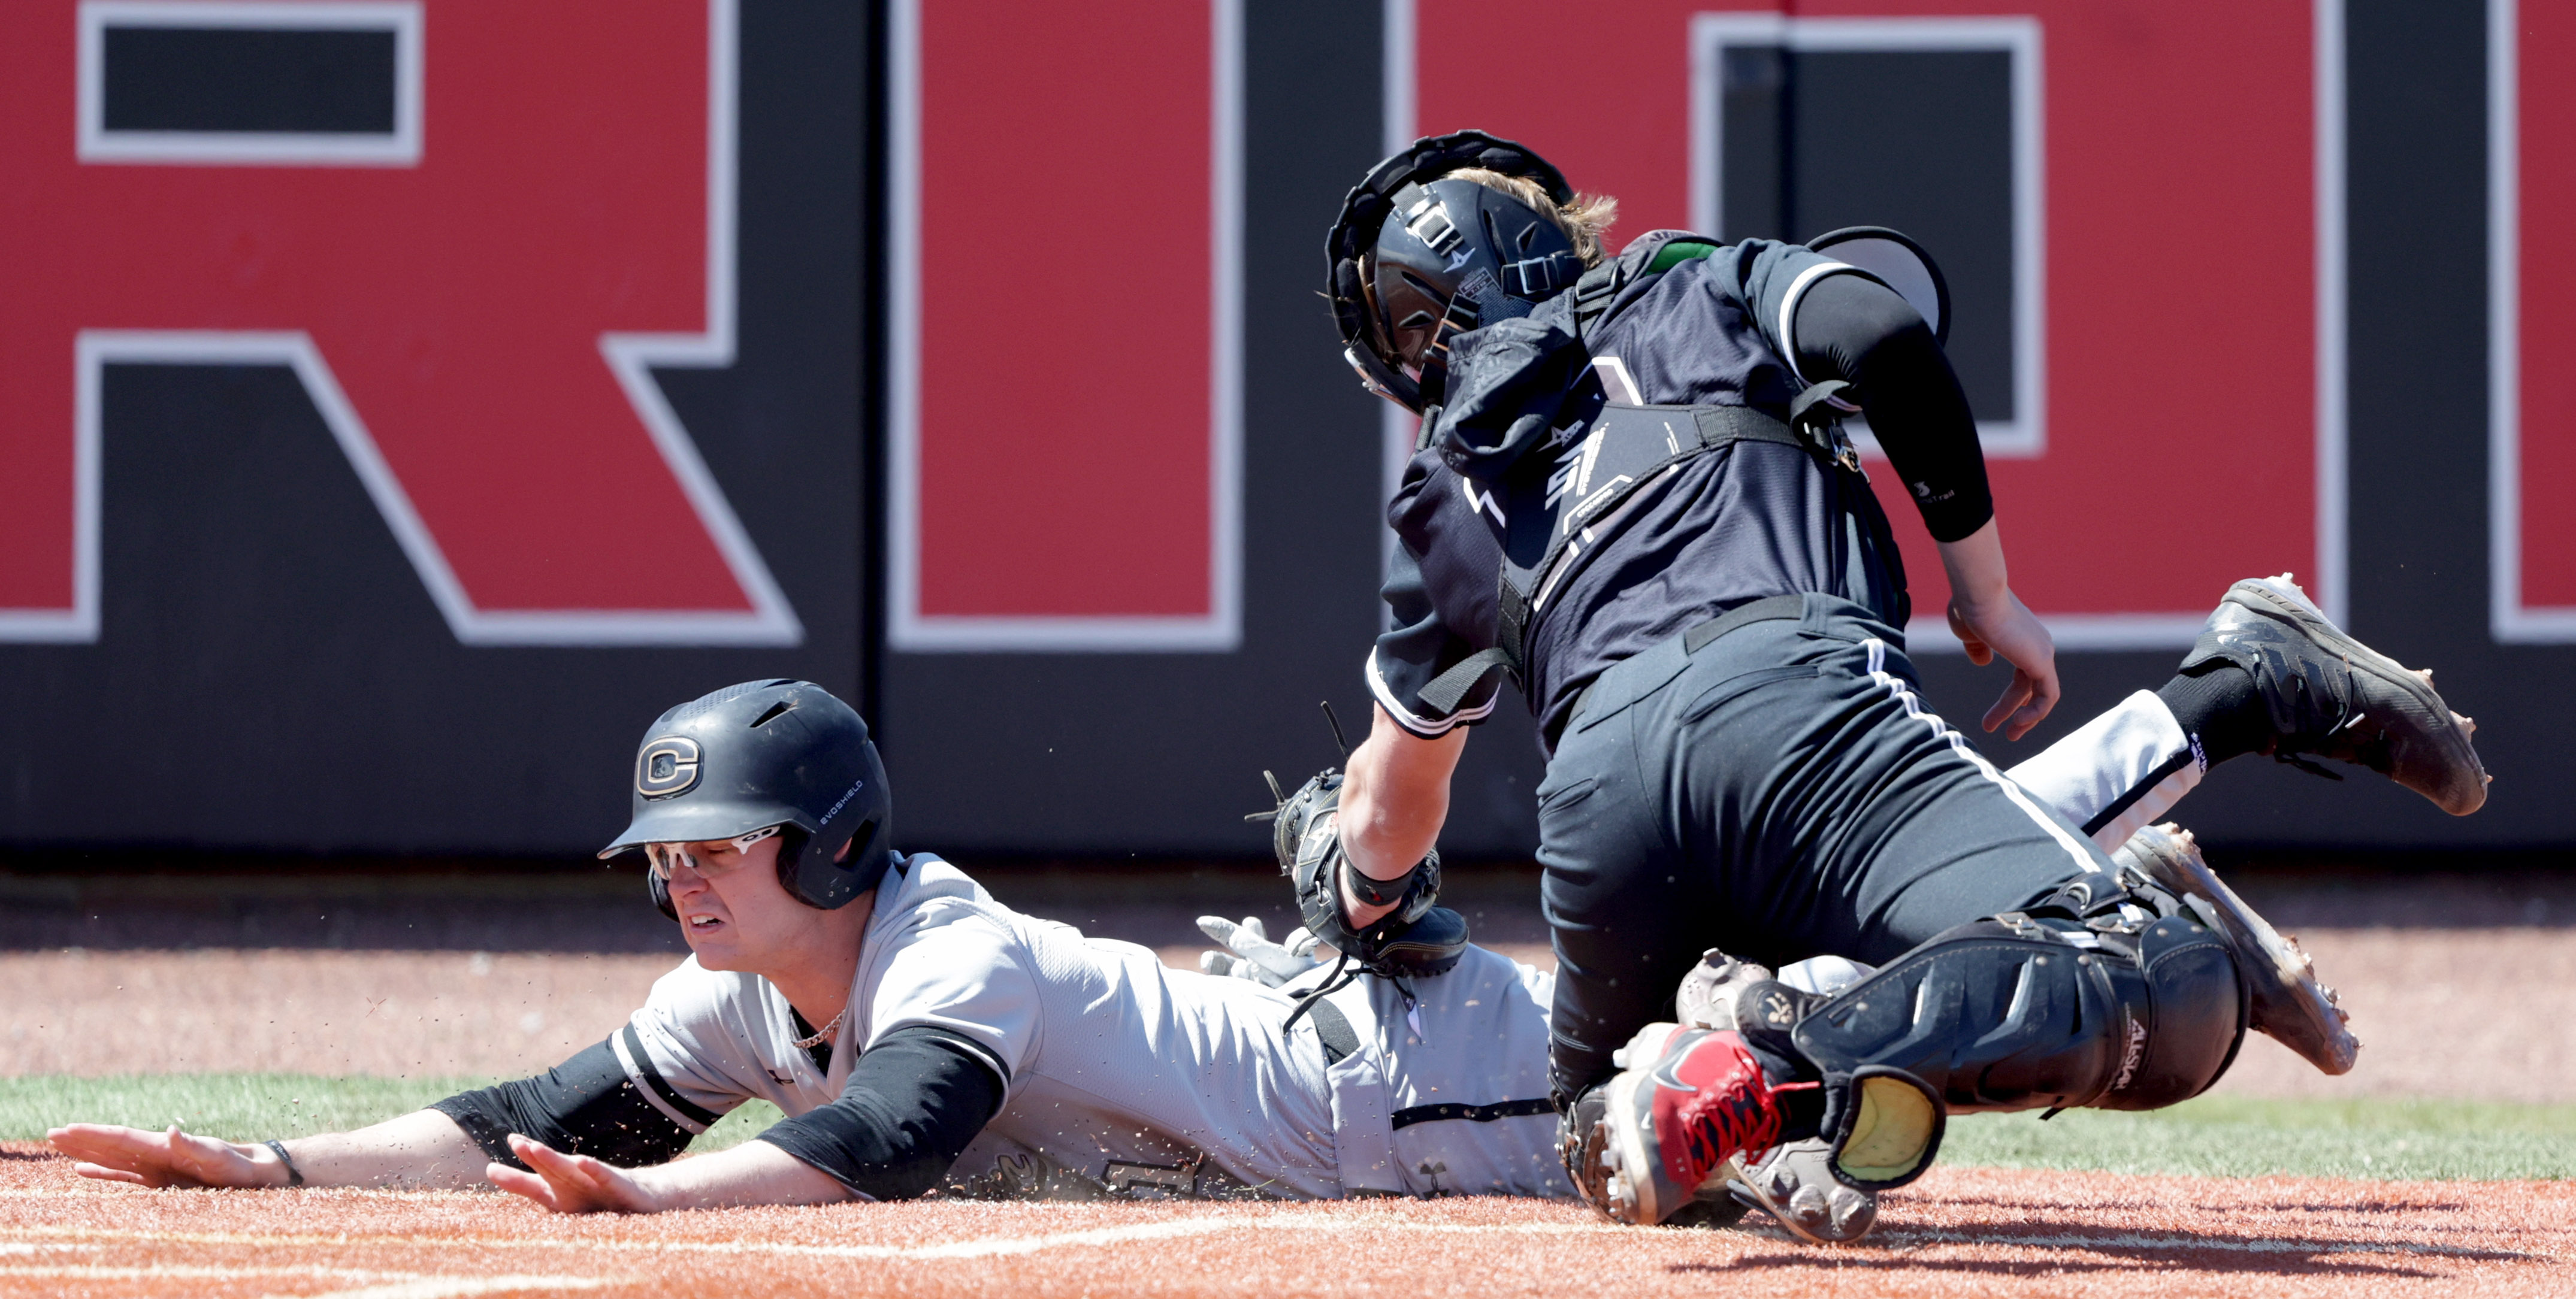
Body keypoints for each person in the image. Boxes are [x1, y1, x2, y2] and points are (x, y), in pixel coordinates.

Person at [44, 666, 2378, 1227]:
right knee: (1796, 969)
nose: (682, 882)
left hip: (1419, 1085)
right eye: (667, 856)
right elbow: (542, 1101)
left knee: (1790, 996)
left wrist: (660, 1200)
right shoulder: (753, 976)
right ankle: (2156, 827)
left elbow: (889, 1133)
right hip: (1329, 1031)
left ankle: (2198, 726)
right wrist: (262, 1164)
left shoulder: (945, 960)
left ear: (831, 836)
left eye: (716, 846)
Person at [1313, 130, 2489, 1237]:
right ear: (1560, 233)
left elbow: (1385, 812)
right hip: (1793, 704)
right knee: (2169, 987)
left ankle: (1743, 1051)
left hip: (1600, 811)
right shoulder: (1685, 281)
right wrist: (1982, 590)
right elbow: (1878, 331)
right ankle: (1777, 1052)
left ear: (1405, 356)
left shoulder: (1434, 492)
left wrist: (1355, 893)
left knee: (1612, 1136)